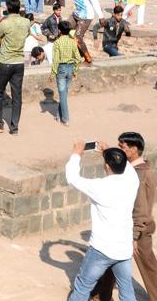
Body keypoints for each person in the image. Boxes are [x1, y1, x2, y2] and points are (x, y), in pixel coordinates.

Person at [65, 141, 139, 301]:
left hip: (101, 250)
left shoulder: (100, 187)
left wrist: (76, 153)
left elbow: (71, 178)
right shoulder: (132, 181)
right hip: (123, 249)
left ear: (107, 166)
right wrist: (108, 151)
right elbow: (128, 168)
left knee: (82, 287)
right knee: (127, 291)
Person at [94, 133, 157, 300]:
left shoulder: (139, 175)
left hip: (136, 229)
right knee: (112, 263)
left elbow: (140, 209)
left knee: (147, 266)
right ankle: (100, 296)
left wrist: (134, 236)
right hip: (131, 228)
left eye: (122, 147)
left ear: (134, 150)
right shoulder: (138, 170)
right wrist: (107, 153)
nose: (121, 151)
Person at [0, 0, 30, 135]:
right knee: (17, 95)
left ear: (8, 8)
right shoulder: (26, 22)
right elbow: (27, 33)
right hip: (19, 63)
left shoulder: (5, 23)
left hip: (6, 62)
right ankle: (14, 127)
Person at [51, 20, 81, 126]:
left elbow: (55, 60)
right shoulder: (72, 41)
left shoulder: (57, 42)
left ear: (59, 30)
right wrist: (75, 70)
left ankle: (65, 118)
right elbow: (78, 58)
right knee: (63, 94)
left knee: (63, 94)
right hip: (70, 68)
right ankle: (58, 115)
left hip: (62, 69)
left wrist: (52, 73)